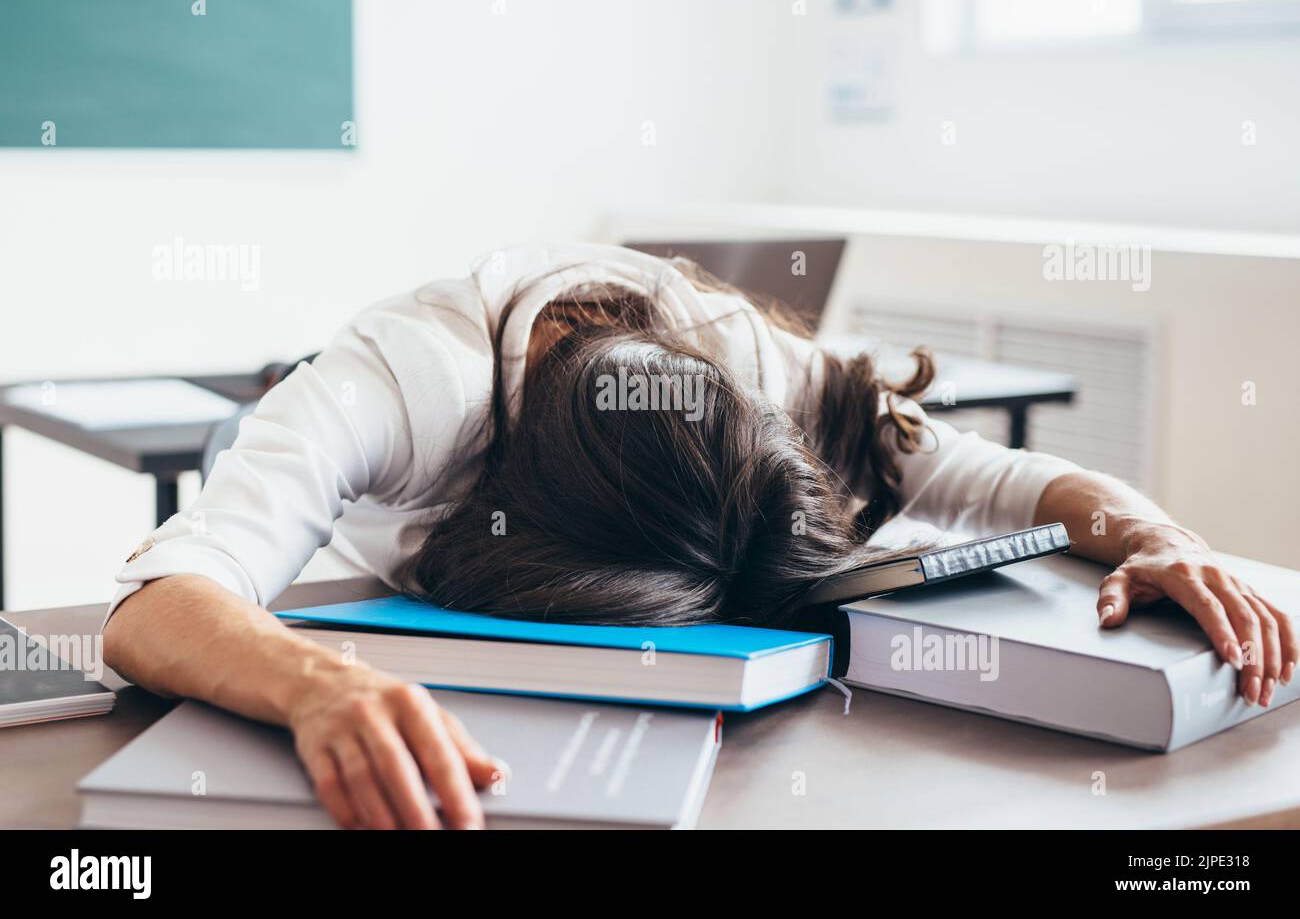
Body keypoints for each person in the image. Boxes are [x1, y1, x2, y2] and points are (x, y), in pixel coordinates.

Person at [103, 242, 1296, 830]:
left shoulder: (756, 369)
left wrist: (1156, 533)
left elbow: (1009, 480)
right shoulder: (401, 385)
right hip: (320, 492)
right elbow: (163, 595)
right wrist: (316, 688)